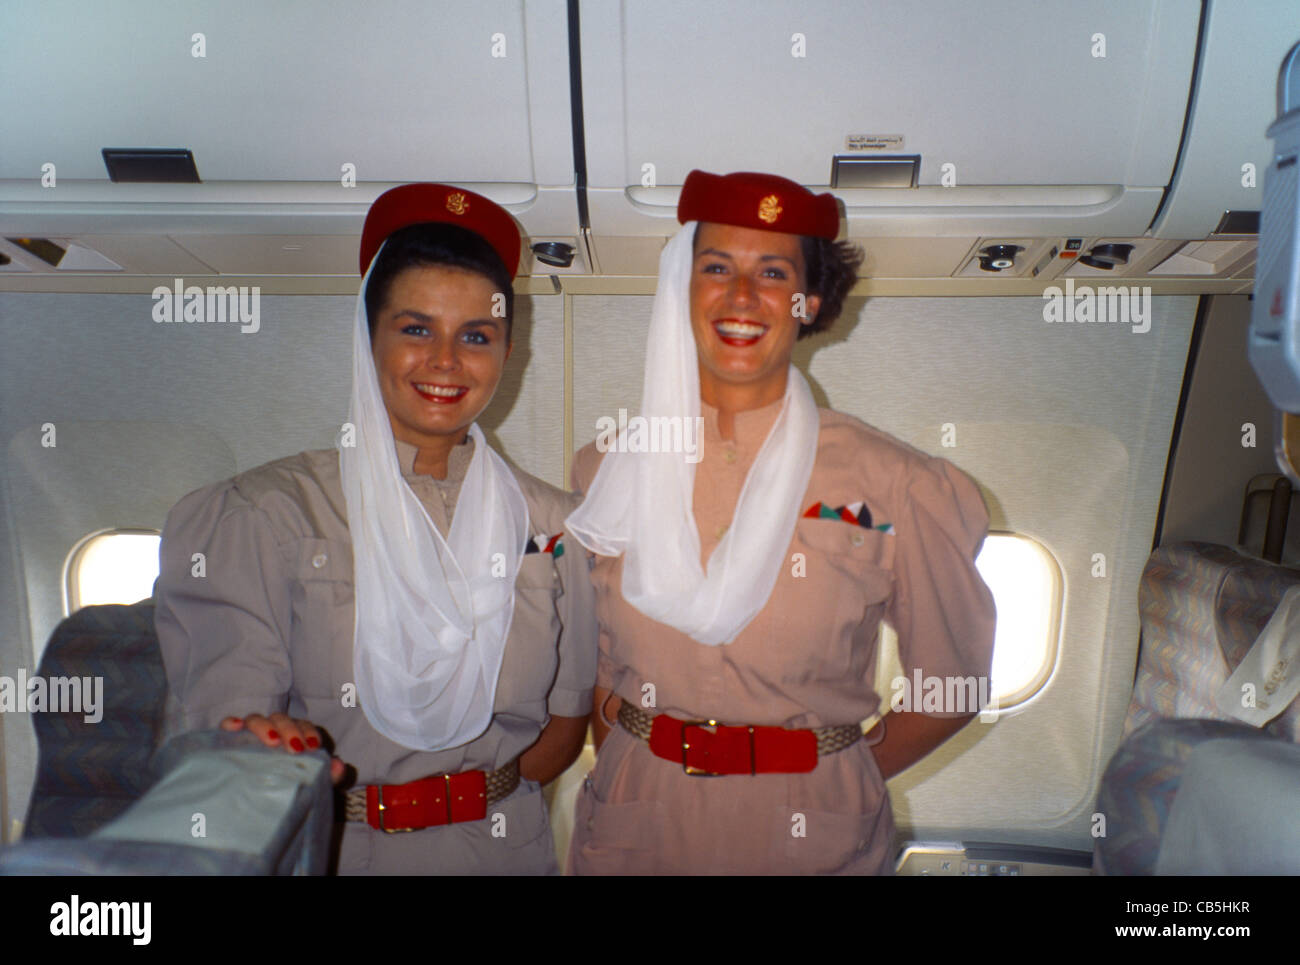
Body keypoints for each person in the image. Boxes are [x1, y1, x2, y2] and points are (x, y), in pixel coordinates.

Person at [154, 183, 595, 875]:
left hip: (506, 848)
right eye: (416, 328)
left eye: (475, 336)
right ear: (367, 336)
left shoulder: (555, 526)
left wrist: (467, 799)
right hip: (336, 848)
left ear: (507, 351)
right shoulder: (264, 515)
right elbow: (226, 744)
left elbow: (562, 730)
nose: (446, 361)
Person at [565, 170, 996, 874]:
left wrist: (833, 772)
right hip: (639, 814)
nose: (741, 297)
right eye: (716, 268)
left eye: (772, 271)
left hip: (810, 826)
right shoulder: (609, 465)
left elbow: (951, 684)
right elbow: (597, 665)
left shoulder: (897, 483)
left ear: (810, 298)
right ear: (683, 289)